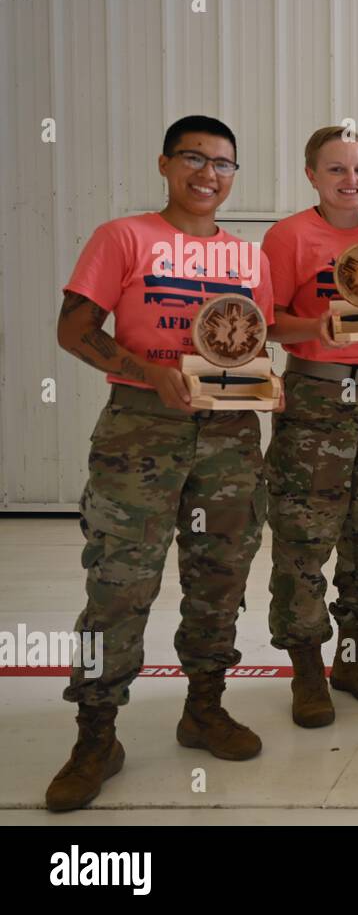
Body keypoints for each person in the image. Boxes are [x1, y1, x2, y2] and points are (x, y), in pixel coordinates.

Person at [47, 115, 275, 811]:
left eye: (223, 164)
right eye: (193, 159)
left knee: (221, 578)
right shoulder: (124, 238)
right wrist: (148, 370)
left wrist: (268, 383)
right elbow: (74, 329)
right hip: (139, 430)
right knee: (117, 584)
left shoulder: (248, 258)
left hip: (229, 434)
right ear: (165, 163)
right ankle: (96, 735)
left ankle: (203, 707)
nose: (208, 174)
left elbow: (247, 348)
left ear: (235, 175)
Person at [262, 125, 358, 728]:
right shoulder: (289, 236)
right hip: (316, 398)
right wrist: (315, 327)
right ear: (311, 175)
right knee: (304, 538)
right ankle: (306, 670)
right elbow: (263, 321)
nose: (350, 180)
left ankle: (352, 656)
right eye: (336, 170)